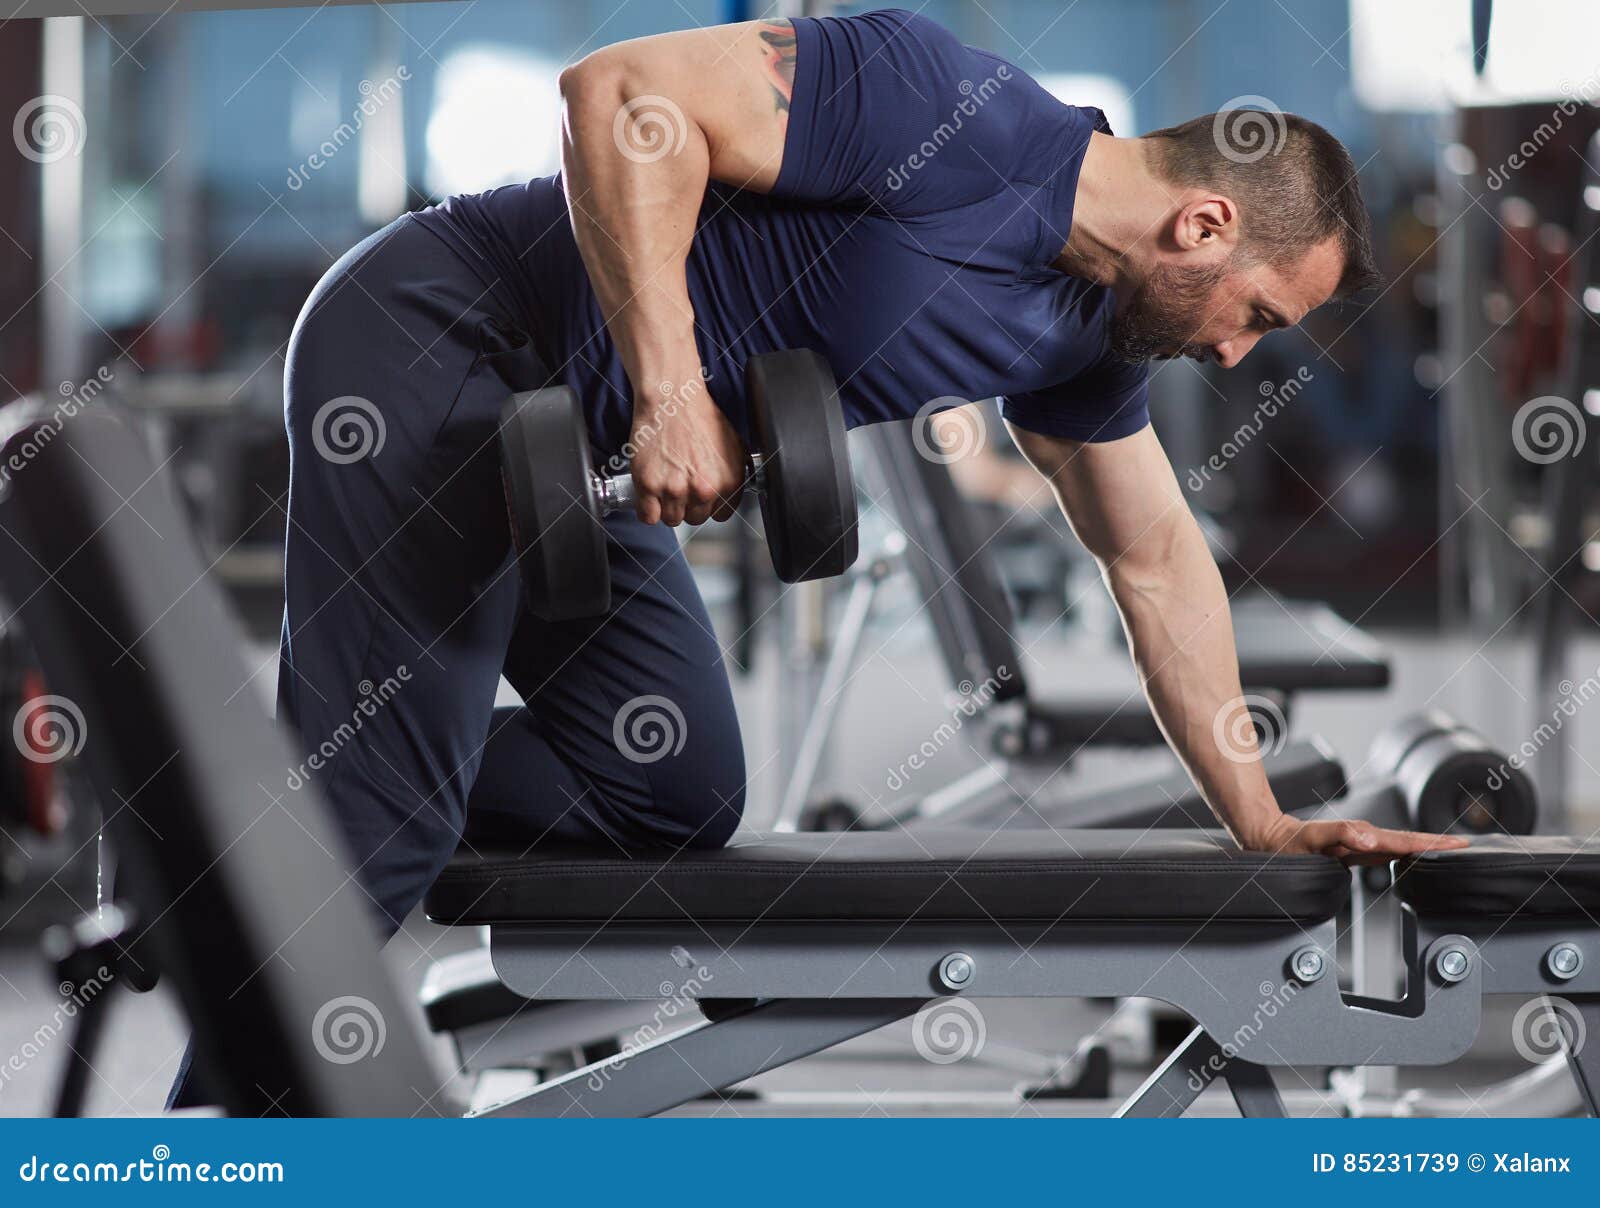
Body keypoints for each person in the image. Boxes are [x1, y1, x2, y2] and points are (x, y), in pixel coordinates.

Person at [280, 7, 1465, 942]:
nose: (1235, 353)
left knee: (669, 788)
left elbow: (1153, 557)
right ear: (1203, 223)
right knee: (382, 821)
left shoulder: (1088, 334)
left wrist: (1260, 818)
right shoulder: (945, 105)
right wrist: (673, 393)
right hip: (442, 339)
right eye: (1256, 314)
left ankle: (307, 769)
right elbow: (621, 94)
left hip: (572, 453)